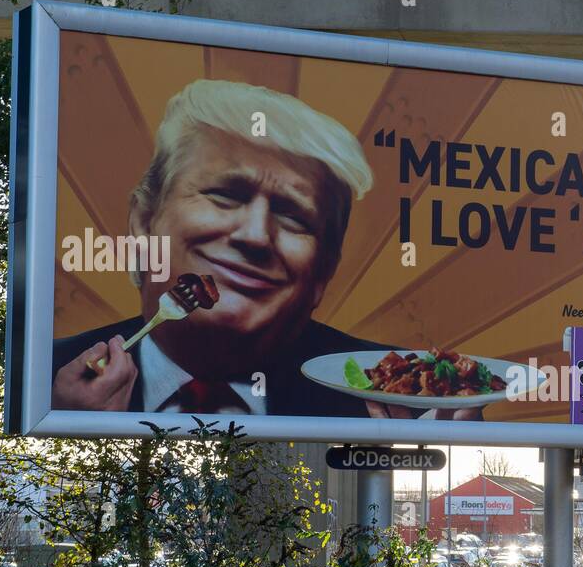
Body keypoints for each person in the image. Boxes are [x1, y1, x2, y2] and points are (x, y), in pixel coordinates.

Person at [51, 79, 477, 421]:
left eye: (294, 217)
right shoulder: (52, 377)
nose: (255, 236)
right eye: (224, 195)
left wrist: (448, 430)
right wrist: (71, 427)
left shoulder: (382, 392)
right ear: (143, 221)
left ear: (323, 275)